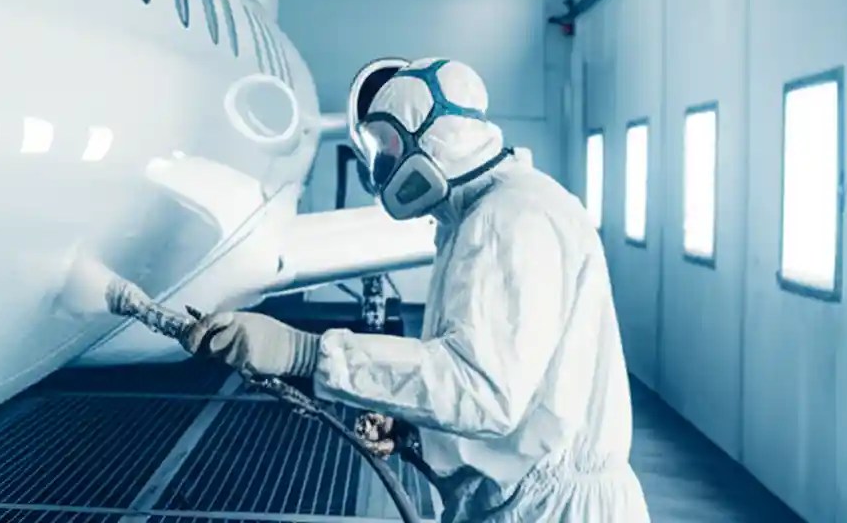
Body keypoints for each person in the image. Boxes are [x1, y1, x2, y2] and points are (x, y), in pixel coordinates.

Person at [184, 58, 650, 522]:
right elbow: (508, 378)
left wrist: (303, 352)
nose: (380, 163)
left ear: (434, 139)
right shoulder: (483, 214)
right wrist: (415, 427)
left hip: (553, 511)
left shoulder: (510, 219)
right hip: (524, 501)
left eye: (387, 145)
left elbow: (484, 389)